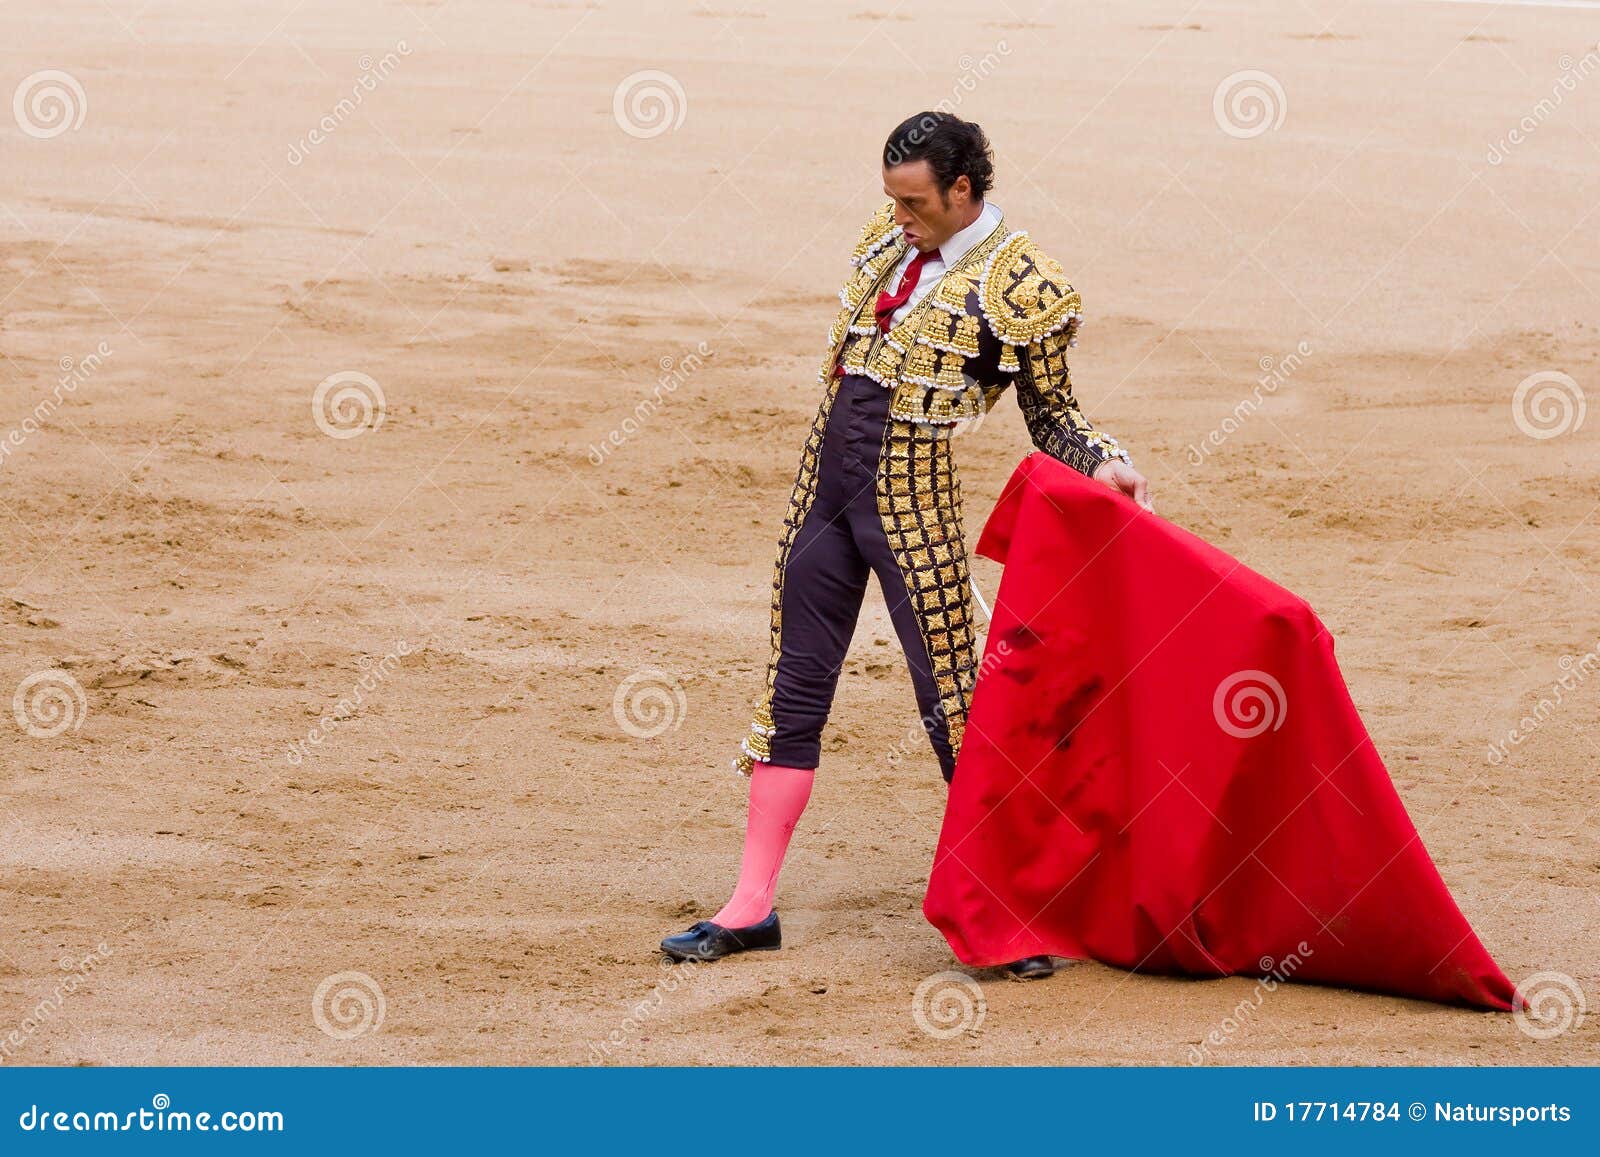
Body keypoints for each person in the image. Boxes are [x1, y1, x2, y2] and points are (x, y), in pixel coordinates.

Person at [661, 111, 1151, 977]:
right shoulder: (886, 245)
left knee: (959, 705)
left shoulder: (1027, 287)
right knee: (793, 688)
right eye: (891, 199)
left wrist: (1103, 461)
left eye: (915, 201)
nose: (899, 218)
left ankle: (998, 913)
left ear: (964, 191)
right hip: (823, 498)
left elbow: (1052, 415)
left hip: (912, 508)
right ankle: (750, 906)